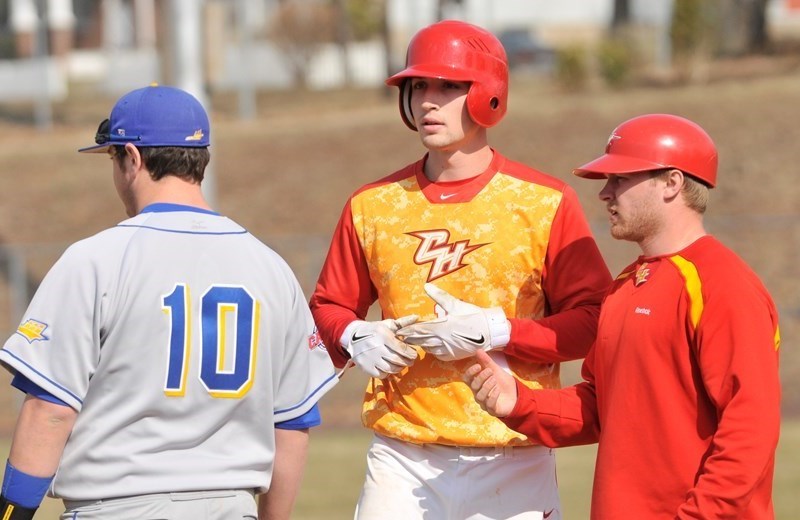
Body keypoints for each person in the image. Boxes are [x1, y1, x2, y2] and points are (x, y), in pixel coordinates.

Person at [309, 20, 611, 519]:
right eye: (418, 86)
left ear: (488, 93)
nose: (429, 101)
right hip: (402, 455)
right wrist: (354, 334)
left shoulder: (543, 203)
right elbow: (328, 305)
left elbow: (594, 321)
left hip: (513, 450)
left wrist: (497, 331)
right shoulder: (372, 205)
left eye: (449, 86)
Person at [0, 85, 338, 520]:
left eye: (113, 159)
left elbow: (49, 411)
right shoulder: (271, 268)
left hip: (119, 508)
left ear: (133, 158)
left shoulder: (97, 260)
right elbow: (292, 424)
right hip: (232, 507)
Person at [462, 113, 782, 519]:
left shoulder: (723, 284)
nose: (605, 193)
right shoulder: (628, 283)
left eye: (621, 179)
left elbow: (749, 430)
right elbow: (601, 405)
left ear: (672, 183)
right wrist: (519, 402)